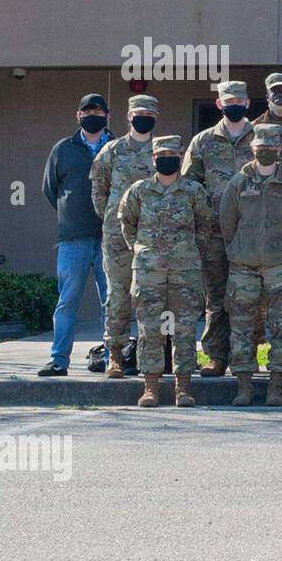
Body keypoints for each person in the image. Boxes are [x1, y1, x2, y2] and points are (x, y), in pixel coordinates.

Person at [218, 124, 282, 406]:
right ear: (253, 149)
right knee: (241, 325)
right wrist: (237, 249)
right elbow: (227, 221)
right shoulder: (239, 181)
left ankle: (275, 387)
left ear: (279, 149)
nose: (266, 152)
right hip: (243, 265)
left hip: (281, 264)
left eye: (271, 148)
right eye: (261, 148)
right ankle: (244, 386)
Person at [117, 136, 211, 408]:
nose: (166, 158)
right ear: (153, 158)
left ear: (180, 157)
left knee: (183, 330)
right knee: (150, 330)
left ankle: (183, 388)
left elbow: (205, 226)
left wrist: (189, 251)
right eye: (161, 154)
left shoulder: (193, 191)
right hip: (149, 272)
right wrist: (142, 251)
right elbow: (127, 223)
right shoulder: (139, 190)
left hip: (185, 271)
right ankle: (151, 388)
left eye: (172, 154)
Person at [183, 80, 255, 376]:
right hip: (214, 234)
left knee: (247, 300)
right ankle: (216, 356)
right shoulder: (203, 141)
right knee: (216, 299)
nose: (234, 104)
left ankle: (244, 358)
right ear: (219, 104)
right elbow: (190, 184)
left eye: (239, 99)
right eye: (228, 100)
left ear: (248, 103)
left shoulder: (260, 139)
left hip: (252, 234)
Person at [39, 93, 112, 377]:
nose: (92, 114)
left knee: (112, 303)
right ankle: (58, 360)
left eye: (97, 110)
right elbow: (51, 190)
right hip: (73, 240)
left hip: (111, 240)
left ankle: (111, 360)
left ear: (107, 115)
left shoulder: (117, 148)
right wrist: (71, 213)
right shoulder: (63, 149)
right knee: (67, 302)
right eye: (87, 110)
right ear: (78, 115)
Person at [89, 94, 158, 378]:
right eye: (138, 113)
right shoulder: (111, 150)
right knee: (117, 296)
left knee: (149, 298)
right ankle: (114, 356)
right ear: (129, 116)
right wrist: (113, 218)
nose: (143, 117)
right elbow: (98, 191)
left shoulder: (161, 151)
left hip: (153, 237)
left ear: (155, 117)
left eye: (149, 113)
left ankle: (147, 359)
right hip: (117, 237)